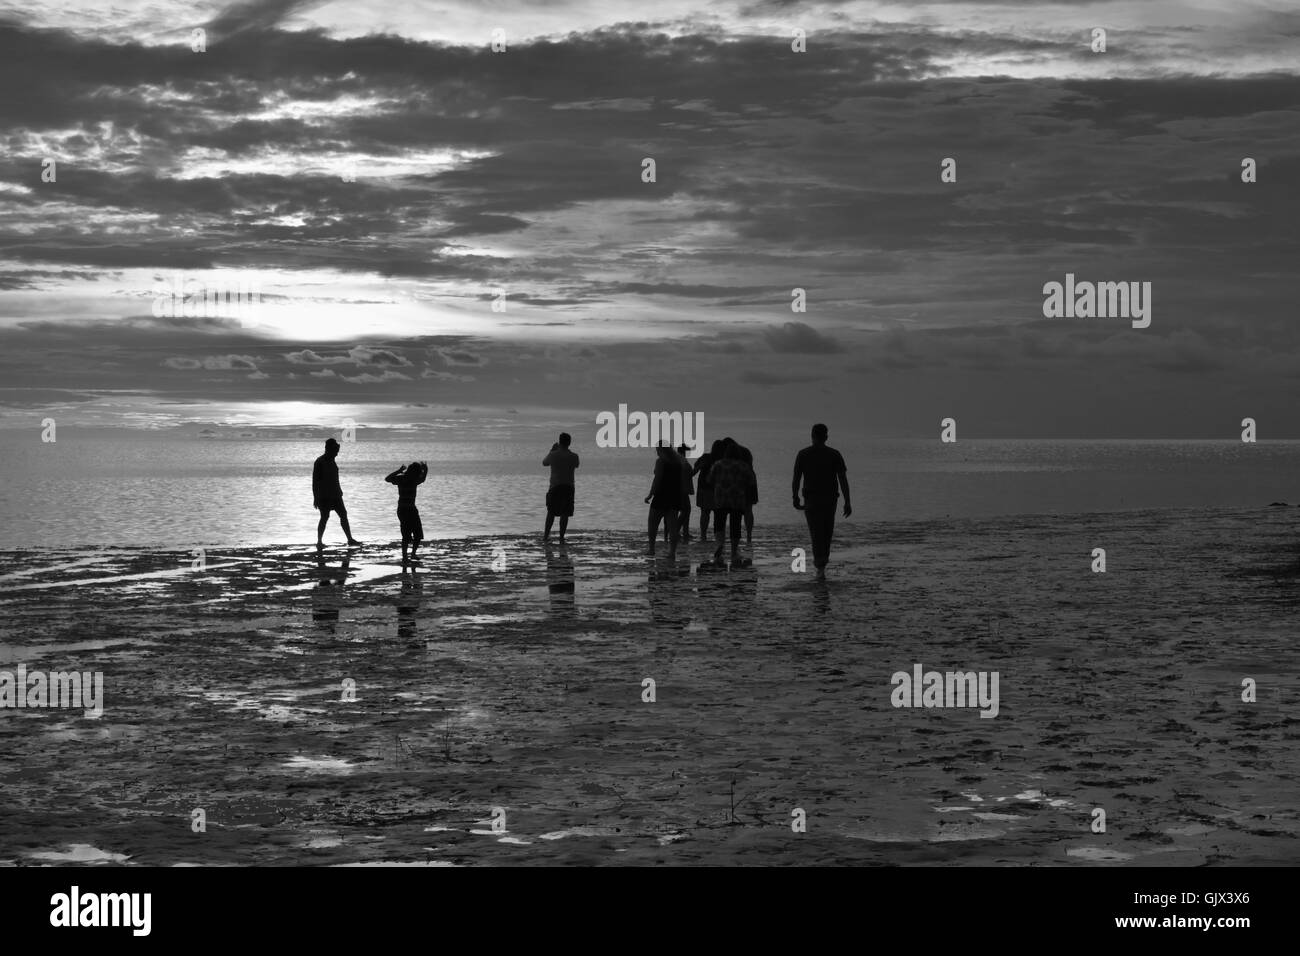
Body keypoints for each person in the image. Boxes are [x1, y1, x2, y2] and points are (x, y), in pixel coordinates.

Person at [792, 423, 852, 580]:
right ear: (826, 437)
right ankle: (821, 565)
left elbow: (796, 478)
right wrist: (847, 501)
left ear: (812, 436)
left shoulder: (803, 454)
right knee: (826, 531)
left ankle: (820, 566)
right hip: (829, 499)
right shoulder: (834, 454)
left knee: (816, 532)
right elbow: (842, 479)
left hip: (811, 499)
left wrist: (795, 497)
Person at [708, 442, 754, 563]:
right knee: (735, 526)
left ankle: (719, 544)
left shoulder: (718, 464)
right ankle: (734, 553)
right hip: (737, 499)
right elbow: (751, 481)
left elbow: (710, 479)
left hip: (720, 498)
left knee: (719, 524)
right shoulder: (743, 466)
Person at [313, 438, 362, 548]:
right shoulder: (320, 462)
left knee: (343, 515)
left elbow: (334, 478)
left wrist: (339, 490)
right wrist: (316, 497)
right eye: (335, 450)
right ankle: (319, 542)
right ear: (329, 449)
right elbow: (315, 481)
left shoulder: (332, 460)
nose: (337, 453)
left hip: (336, 495)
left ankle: (350, 539)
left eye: (337, 451)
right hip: (324, 496)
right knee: (324, 517)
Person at [644, 443, 683, 558]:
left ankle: (651, 549)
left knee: (653, 523)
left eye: (658, 450)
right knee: (673, 527)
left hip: (661, 496)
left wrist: (650, 494)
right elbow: (680, 481)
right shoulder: (678, 462)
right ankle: (672, 552)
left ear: (662, 450)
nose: (657, 452)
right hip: (674, 496)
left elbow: (657, 479)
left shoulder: (661, 461)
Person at [385, 460, 428, 563]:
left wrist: (399, 470)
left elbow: (388, 479)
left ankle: (408, 556)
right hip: (408, 509)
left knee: (409, 534)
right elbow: (423, 478)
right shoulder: (413, 480)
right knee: (414, 534)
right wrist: (426, 470)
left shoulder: (402, 478)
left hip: (404, 509)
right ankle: (409, 555)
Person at [542, 433, 580, 542]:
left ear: (559, 442)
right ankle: (561, 536)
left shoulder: (553, 454)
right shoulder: (574, 456)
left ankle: (545, 536)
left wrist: (552, 450)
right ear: (569, 443)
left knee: (551, 512)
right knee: (565, 513)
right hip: (568, 486)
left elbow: (544, 463)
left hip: (555, 486)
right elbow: (576, 465)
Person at [692, 439, 723, 540]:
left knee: (705, 513)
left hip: (704, 488)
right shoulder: (723, 459)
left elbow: (695, 469)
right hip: (717, 489)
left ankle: (703, 534)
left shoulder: (705, 457)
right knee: (718, 514)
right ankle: (716, 534)